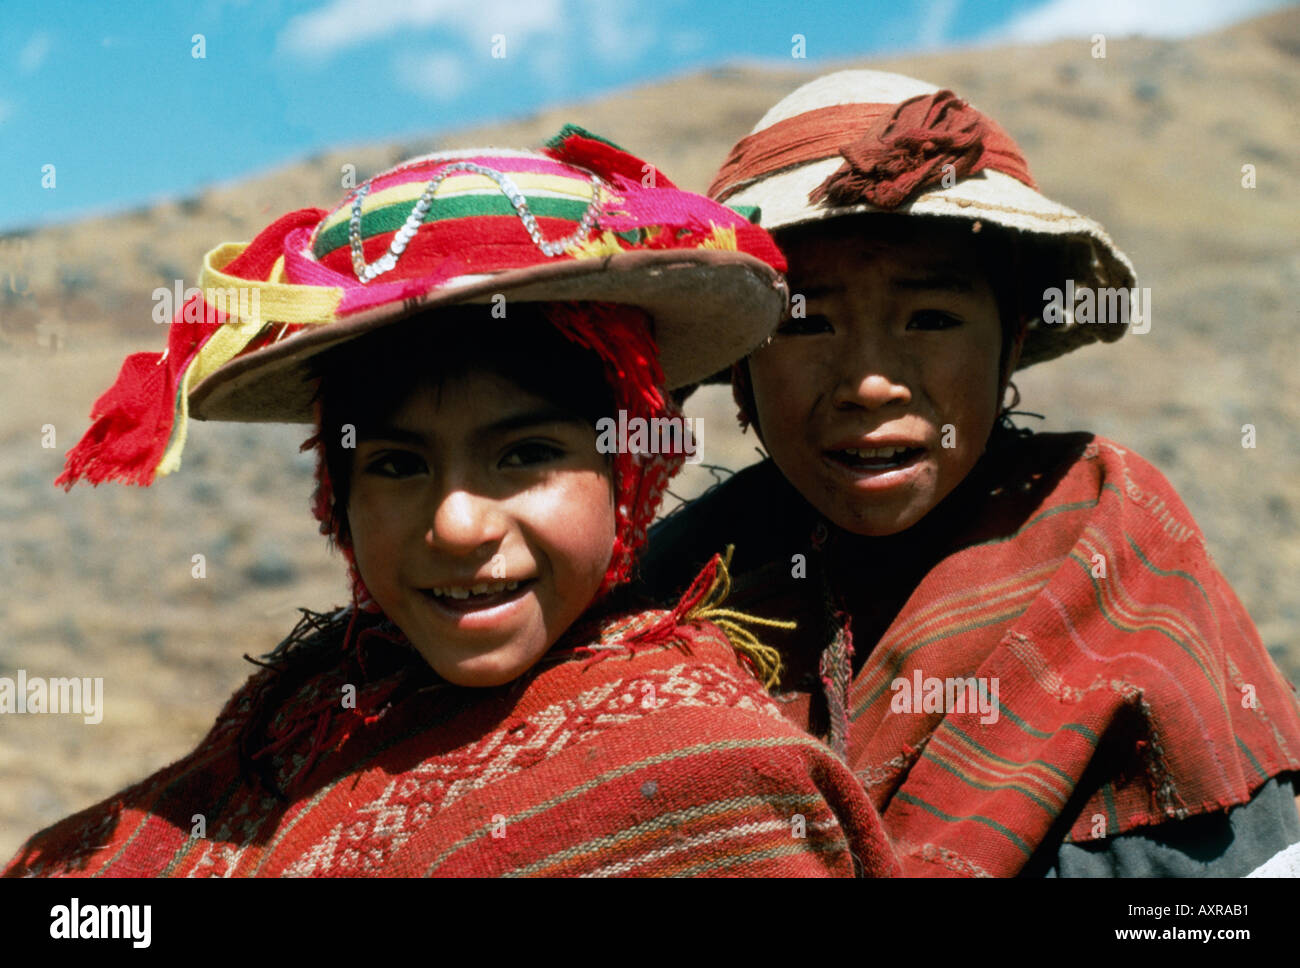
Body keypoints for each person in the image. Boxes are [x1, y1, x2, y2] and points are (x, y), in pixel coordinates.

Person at [4, 128, 899, 878]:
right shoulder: (307, 715)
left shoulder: (704, 787)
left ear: (630, 468)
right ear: (336, 491)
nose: (458, 526)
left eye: (526, 455)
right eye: (396, 466)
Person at [636, 71, 1300, 877]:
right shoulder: (666, 599)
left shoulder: (1116, 552)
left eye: (932, 318)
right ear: (742, 363)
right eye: (807, 321)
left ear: (1011, 339)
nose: (869, 382)